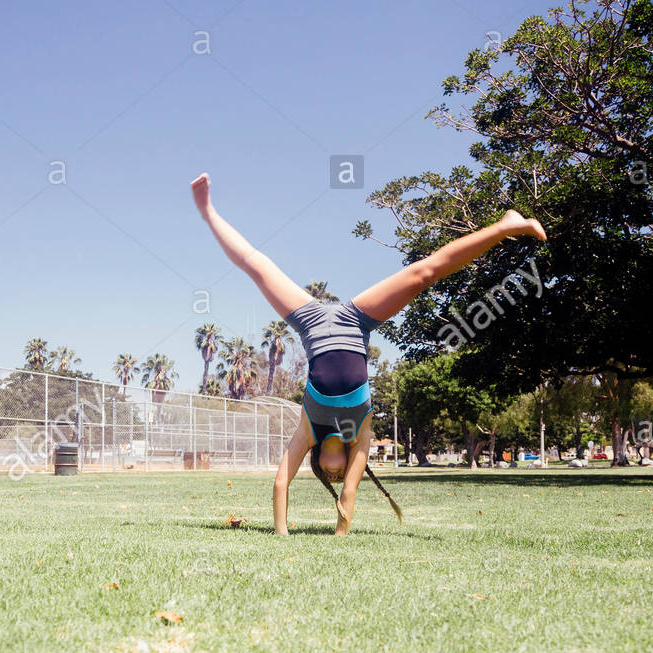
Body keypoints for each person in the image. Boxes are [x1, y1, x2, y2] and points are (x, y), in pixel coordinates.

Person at [190, 172, 546, 535]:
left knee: (257, 266)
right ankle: (504, 228)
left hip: (311, 323)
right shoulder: (360, 436)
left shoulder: (308, 431)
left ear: (316, 461)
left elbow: (281, 483)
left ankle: (208, 213)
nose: (335, 473)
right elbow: (348, 494)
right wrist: (340, 533)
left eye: (328, 474)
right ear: (347, 461)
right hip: (354, 322)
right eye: (339, 472)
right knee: (423, 274)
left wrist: (281, 535)